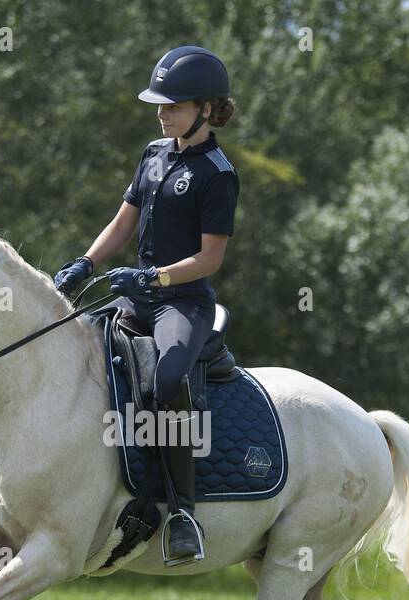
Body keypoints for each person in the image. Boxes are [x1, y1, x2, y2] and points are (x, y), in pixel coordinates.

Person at [54, 45, 239, 566]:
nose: (161, 112)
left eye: (172, 105)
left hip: (182, 304)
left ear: (205, 108)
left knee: (168, 381)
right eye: (159, 104)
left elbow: (210, 259)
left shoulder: (218, 174)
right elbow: (123, 223)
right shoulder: (154, 153)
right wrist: (85, 264)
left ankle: (182, 515)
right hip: (133, 296)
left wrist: (153, 275)